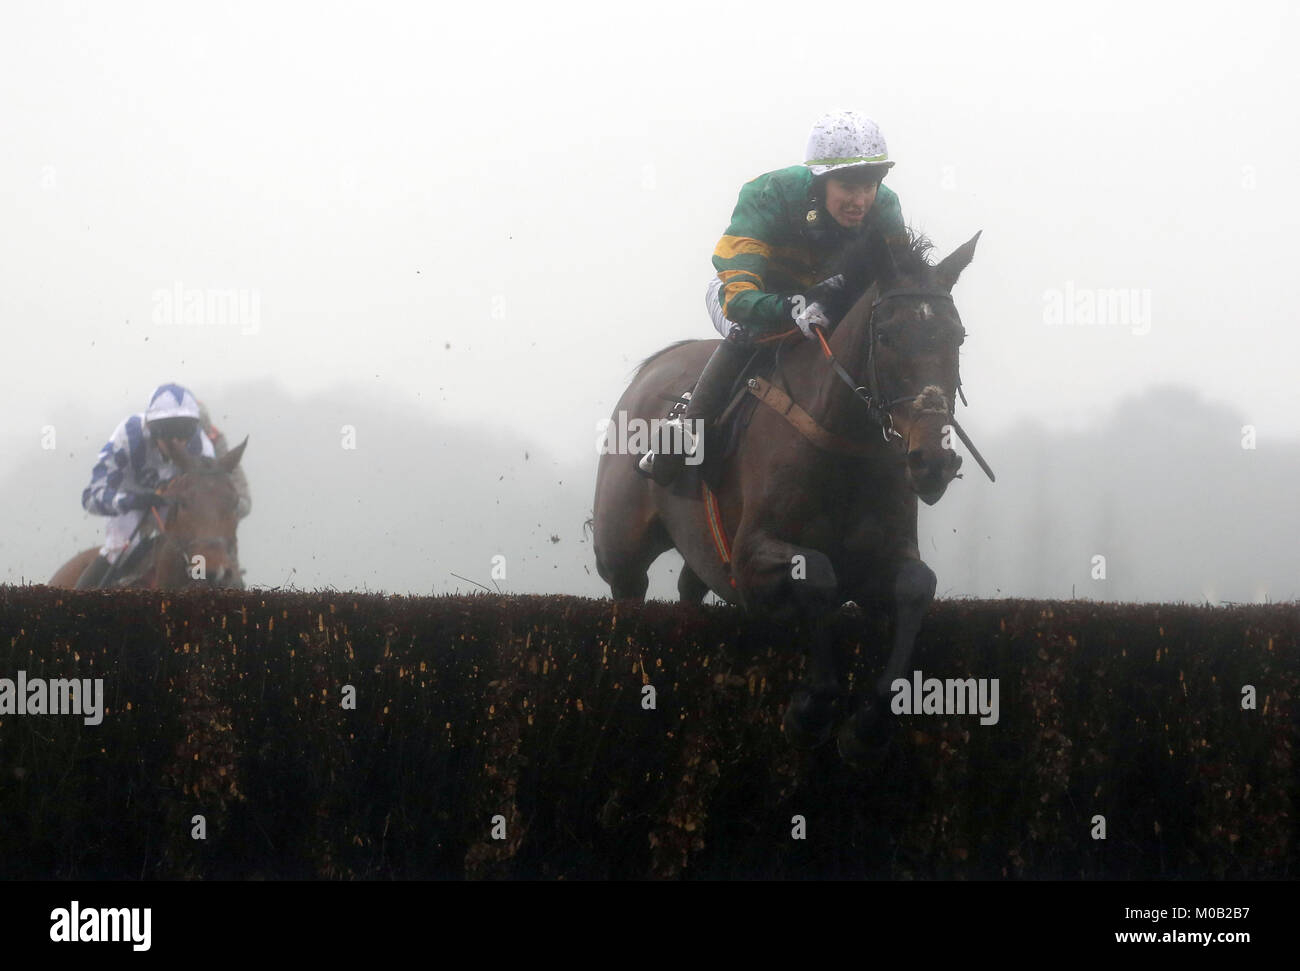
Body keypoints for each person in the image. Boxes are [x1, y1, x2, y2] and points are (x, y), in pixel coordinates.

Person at [640, 109, 907, 485]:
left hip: (829, 300)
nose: (860, 201)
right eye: (848, 187)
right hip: (748, 299)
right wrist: (789, 307)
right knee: (747, 330)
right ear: (820, 181)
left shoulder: (886, 208)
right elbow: (740, 299)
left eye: (869, 186)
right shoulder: (769, 195)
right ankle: (687, 430)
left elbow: (895, 287)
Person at [74, 383, 220, 589]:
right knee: (122, 547)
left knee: (203, 545)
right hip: (127, 503)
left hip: (171, 505)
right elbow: (91, 497)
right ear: (153, 429)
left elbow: (210, 502)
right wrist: (134, 500)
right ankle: (76, 603)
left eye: (186, 430)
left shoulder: (201, 447)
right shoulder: (129, 434)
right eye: (170, 431)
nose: (179, 441)